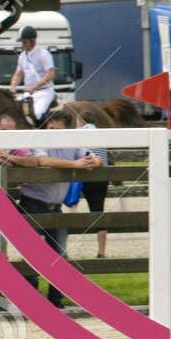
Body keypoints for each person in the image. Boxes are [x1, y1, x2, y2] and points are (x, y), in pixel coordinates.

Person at [0, 107, 101, 308]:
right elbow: (43, 160)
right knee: (33, 254)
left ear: (67, 130)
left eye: (57, 129)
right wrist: (76, 165)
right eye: (50, 128)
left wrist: (93, 161)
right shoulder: (42, 140)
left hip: (55, 207)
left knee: (59, 255)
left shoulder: (74, 143)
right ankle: (32, 301)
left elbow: (93, 157)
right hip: (32, 203)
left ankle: (55, 300)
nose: (52, 132)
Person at [72, 105, 111, 258]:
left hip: (85, 176)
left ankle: (62, 247)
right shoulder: (99, 133)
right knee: (98, 210)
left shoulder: (80, 132)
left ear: (80, 121)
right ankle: (101, 251)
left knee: (68, 207)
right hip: (102, 178)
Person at [6, 25, 56, 126]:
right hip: (29, 93)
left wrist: (35, 87)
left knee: (37, 113)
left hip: (44, 92)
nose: (22, 44)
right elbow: (18, 74)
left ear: (32, 40)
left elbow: (50, 74)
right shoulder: (22, 56)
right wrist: (12, 88)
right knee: (15, 110)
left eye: (24, 42)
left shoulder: (43, 54)